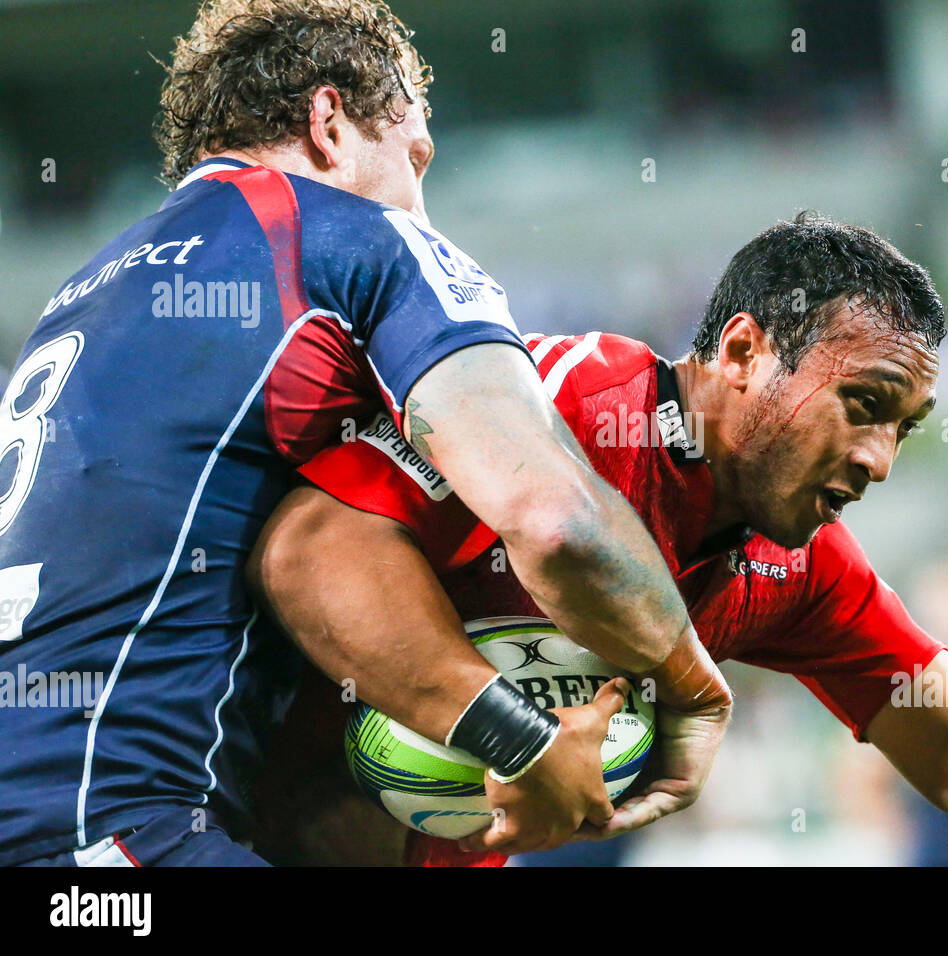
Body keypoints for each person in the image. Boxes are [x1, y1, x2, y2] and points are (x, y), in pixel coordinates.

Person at [0, 0, 727, 868]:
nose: (422, 202)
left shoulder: (82, 292)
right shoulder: (353, 241)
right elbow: (554, 517)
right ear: (330, 123)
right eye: (415, 158)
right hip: (122, 836)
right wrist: (689, 693)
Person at [250, 212, 948, 866]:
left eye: (904, 429)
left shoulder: (799, 564)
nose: (879, 460)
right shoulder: (556, 409)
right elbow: (307, 552)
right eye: (864, 405)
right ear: (745, 352)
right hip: (218, 825)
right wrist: (515, 734)